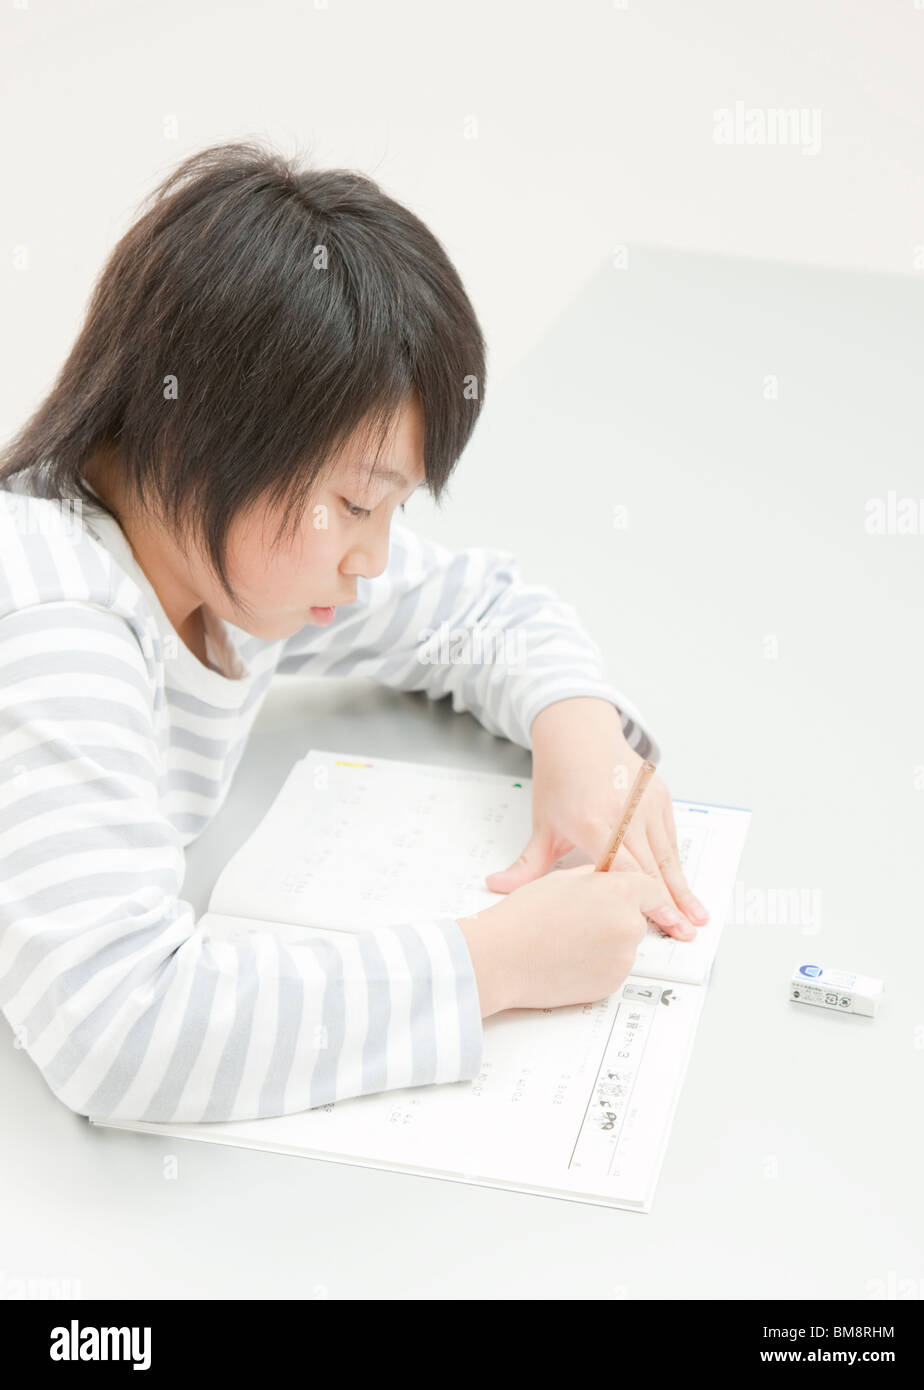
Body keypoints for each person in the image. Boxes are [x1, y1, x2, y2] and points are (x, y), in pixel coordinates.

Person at [0, 141, 706, 1124]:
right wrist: (492, 964)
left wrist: (577, 725)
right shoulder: (55, 628)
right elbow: (120, 1031)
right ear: (207, 438)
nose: (373, 558)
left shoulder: (229, 558)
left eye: (394, 509)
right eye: (357, 501)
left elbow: (479, 609)